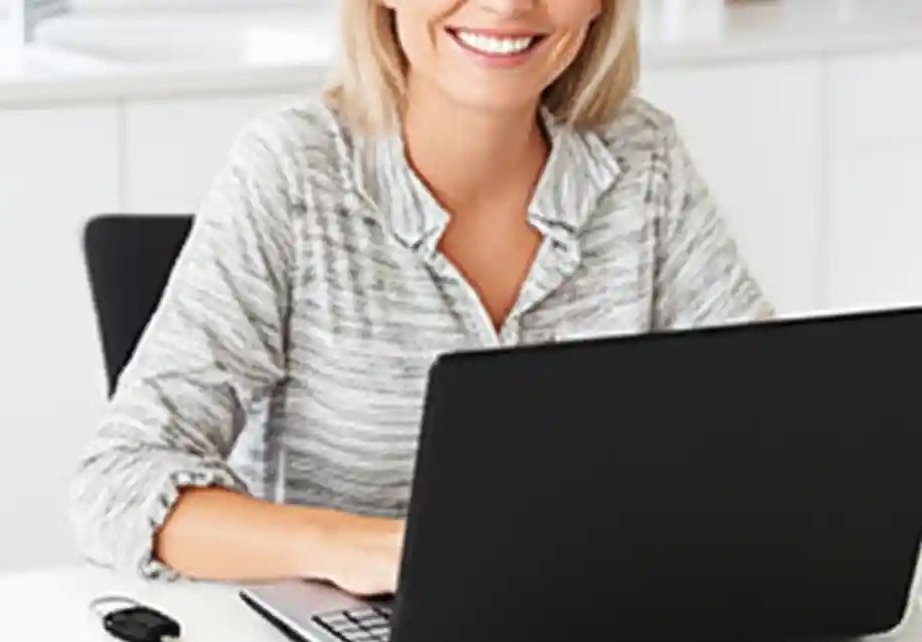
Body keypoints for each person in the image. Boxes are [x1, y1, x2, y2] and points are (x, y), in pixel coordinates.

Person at [69, 0, 774, 597]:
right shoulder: (290, 172)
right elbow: (119, 484)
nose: (508, 3)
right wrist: (364, 549)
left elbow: (771, 424)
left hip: (585, 635)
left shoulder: (640, 159)